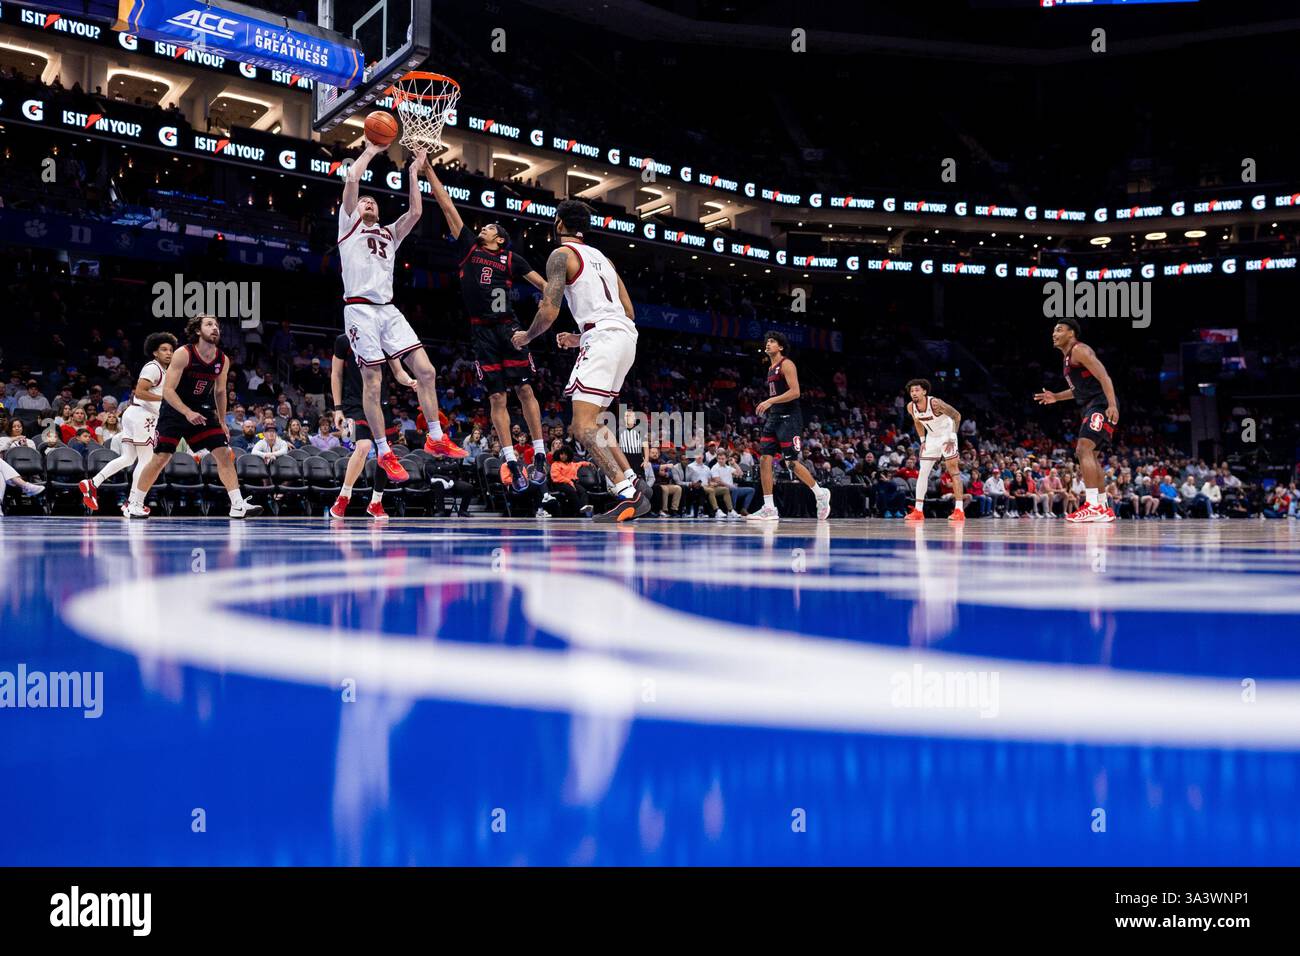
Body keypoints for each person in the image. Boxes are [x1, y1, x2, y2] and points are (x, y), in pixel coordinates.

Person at [511, 199, 649, 522]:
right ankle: (633, 482)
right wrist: (580, 337)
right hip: (625, 336)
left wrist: (527, 337)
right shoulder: (604, 259)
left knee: (580, 425)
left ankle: (626, 495)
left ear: (559, 224)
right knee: (597, 421)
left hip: (603, 339)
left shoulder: (561, 255)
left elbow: (549, 310)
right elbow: (628, 311)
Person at [338, 139, 464, 484]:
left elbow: (416, 213)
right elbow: (352, 177)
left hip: (388, 310)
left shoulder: (389, 233)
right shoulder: (348, 226)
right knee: (374, 380)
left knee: (426, 371)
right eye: (364, 200)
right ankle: (385, 451)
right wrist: (371, 150)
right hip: (360, 310)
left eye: (373, 201)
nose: (367, 202)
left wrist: (413, 171)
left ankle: (436, 436)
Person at [423, 162, 548, 492]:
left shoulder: (510, 259)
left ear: (501, 239)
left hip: (509, 328)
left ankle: (538, 455)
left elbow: (547, 287)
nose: (484, 229)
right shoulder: (469, 246)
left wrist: (547, 301)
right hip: (481, 333)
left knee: (523, 390)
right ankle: (510, 461)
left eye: (490, 227)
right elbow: (447, 203)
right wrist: (427, 170)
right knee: (496, 398)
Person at [126, 315, 261, 519]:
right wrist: (186, 412)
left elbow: (220, 392)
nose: (215, 328)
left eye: (217, 325)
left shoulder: (222, 359)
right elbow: (169, 391)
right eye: (209, 324)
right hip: (174, 410)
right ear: (198, 331)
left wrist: (223, 421)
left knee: (224, 453)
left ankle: (237, 505)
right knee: (161, 457)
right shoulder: (183, 353)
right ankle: (134, 503)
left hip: (201, 410)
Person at [79, 332, 177, 515]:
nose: (169, 353)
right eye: (164, 349)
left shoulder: (165, 371)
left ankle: (93, 483)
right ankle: (134, 504)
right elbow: (140, 392)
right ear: (155, 352)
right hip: (143, 415)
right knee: (146, 461)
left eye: (171, 350)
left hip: (135, 415)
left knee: (128, 458)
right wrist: (166, 398)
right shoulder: (153, 367)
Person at [1034, 319, 1119, 522]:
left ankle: (1091, 506)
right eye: (1054, 330)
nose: (1054, 334)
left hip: (1100, 404)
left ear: (1071, 334)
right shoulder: (1067, 359)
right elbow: (1077, 390)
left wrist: (1111, 404)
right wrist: (1056, 396)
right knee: (1092, 454)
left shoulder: (1080, 350)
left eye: (1059, 330)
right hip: (1093, 405)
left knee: (1083, 449)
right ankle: (1102, 507)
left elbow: (1105, 376)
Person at [328, 331, 417, 520]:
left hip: (379, 403)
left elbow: (399, 372)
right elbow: (336, 374)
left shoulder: (384, 341)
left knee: (386, 453)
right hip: (354, 402)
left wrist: (410, 381)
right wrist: (337, 409)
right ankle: (343, 497)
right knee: (364, 445)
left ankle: (376, 502)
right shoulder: (343, 340)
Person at [745, 332, 831, 522]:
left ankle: (820, 494)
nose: (768, 344)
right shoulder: (770, 368)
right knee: (764, 459)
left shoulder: (787, 364)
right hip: (774, 417)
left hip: (789, 418)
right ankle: (769, 508)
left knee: (790, 462)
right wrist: (772, 405)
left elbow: (795, 392)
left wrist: (770, 401)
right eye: (766, 341)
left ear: (781, 347)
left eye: (772, 341)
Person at [903, 379, 964, 523]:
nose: (914, 393)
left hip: (947, 434)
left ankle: (959, 510)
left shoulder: (935, 403)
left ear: (924, 391)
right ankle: (918, 511)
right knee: (922, 472)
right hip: (931, 437)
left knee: (953, 470)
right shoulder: (911, 407)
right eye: (912, 391)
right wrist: (923, 441)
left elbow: (957, 416)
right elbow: (917, 422)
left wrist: (952, 437)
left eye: (917, 390)